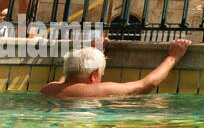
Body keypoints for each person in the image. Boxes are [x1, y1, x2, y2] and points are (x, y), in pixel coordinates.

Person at [42, 39, 190, 98]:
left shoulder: (49, 88)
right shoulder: (95, 91)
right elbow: (146, 85)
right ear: (94, 75)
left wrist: (95, 50)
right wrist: (173, 57)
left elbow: (66, 79)